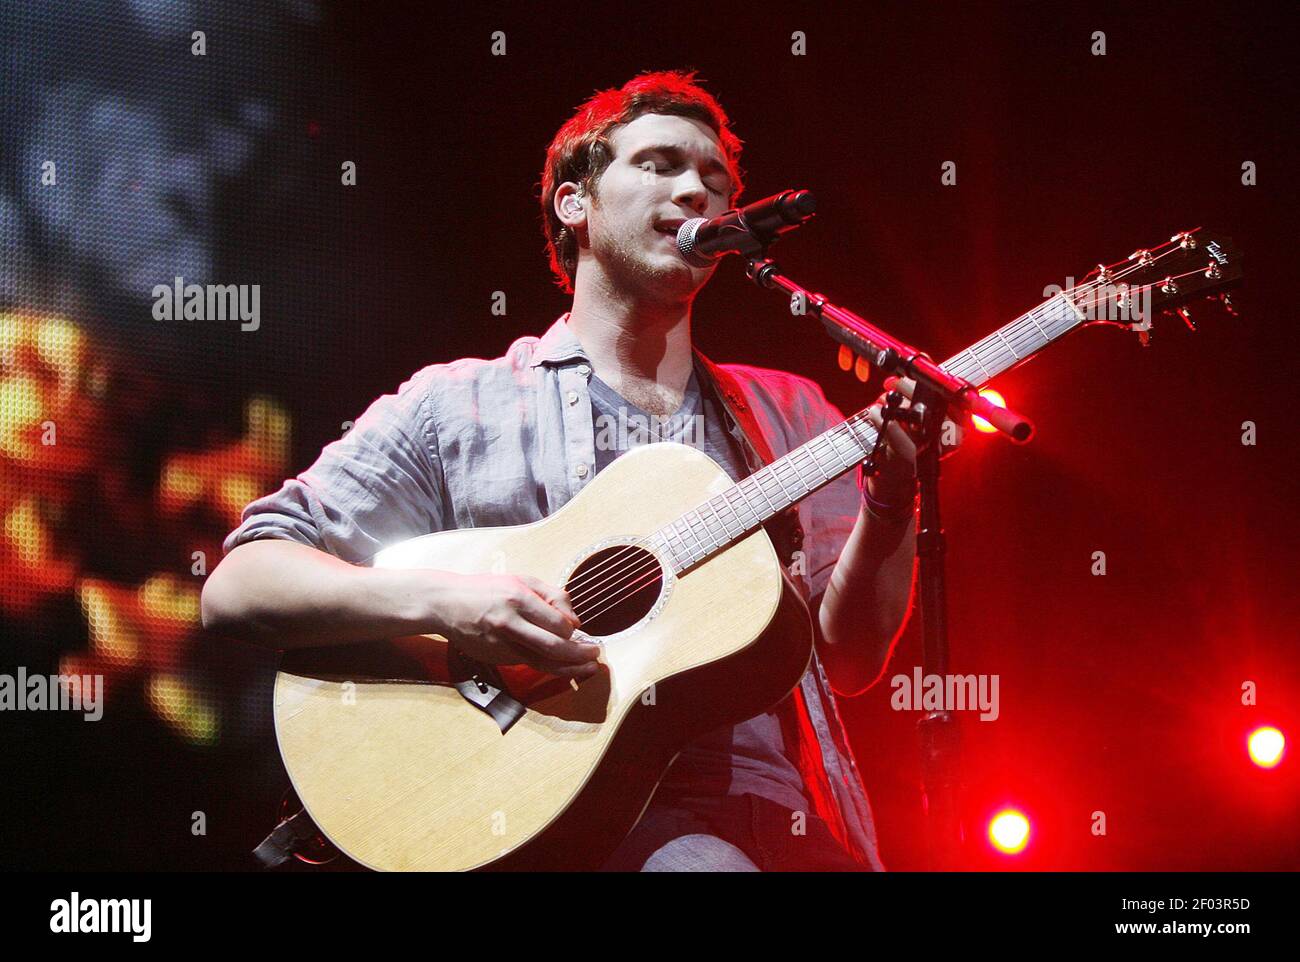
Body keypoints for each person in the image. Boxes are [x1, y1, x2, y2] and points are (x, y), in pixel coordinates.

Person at [202, 70, 937, 872]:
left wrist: (892, 503)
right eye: (660, 164)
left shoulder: (789, 414)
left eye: (716, 182)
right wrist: (452, 603)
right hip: (553, 817)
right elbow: (240, 586)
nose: (698, 192)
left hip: (782, 819)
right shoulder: (457, 408)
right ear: (573, 204)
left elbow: (851, 660)